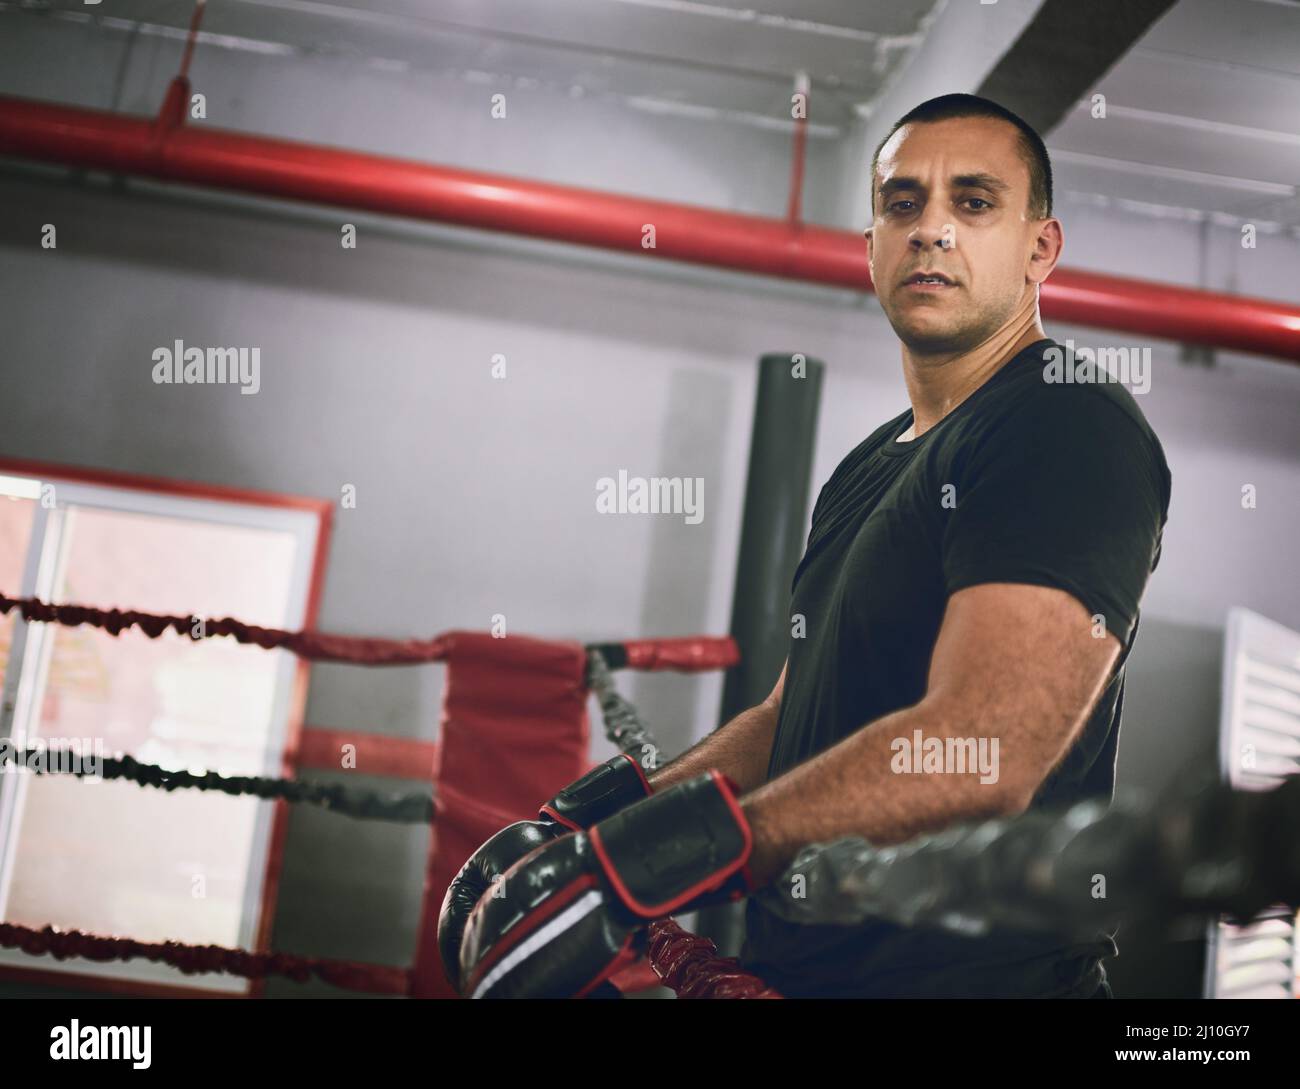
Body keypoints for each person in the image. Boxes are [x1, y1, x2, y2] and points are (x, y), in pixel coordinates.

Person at [447, 93, 1171, 999]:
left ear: (1040, 249)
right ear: (871, 240)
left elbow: (984, 748)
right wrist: (602, 831)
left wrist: (673, 859)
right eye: (902, 203)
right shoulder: (869, 465)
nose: (931, 230)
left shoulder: (1064, 421)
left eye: (974, 202)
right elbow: (787, 716)